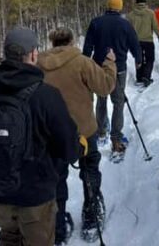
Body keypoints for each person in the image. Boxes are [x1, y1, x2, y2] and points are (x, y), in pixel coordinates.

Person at [0, 27, 82, 246]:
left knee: (9, 237)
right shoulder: (46, 95)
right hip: (36, 197)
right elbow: (69, 151)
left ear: (5, 54)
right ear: (33, 54)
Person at [38, 28, 117, 244]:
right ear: (72, 41)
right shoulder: (81, 62)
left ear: (52, 42)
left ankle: (58, 228)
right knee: (90, 170)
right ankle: (92, 218)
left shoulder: (39, 65)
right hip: (83, 130)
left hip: (51, 133)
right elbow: (105, 87)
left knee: (56, 178)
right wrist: (110, 63)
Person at [83, 0, 141, 155]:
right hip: (119, 68)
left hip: (99, 68)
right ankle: (116, 139)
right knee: (118, 102)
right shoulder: (125, 24)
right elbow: (134, 44)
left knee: (101, 100)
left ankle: (101, 132)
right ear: (119, 6)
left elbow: (87, 47)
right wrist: (138, 59)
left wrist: (84, 63)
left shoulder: (96, 22)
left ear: (108, 5)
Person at [126, 0, 159, 87]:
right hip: (148, 40)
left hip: (136, 41)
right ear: (145, 2)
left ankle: (139, 78)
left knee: (139, 59)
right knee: (150, 59)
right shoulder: (150, 13)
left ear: (136, 2)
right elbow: (155, 26)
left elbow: (127, 29)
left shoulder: (130, 15)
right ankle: (146, 76)